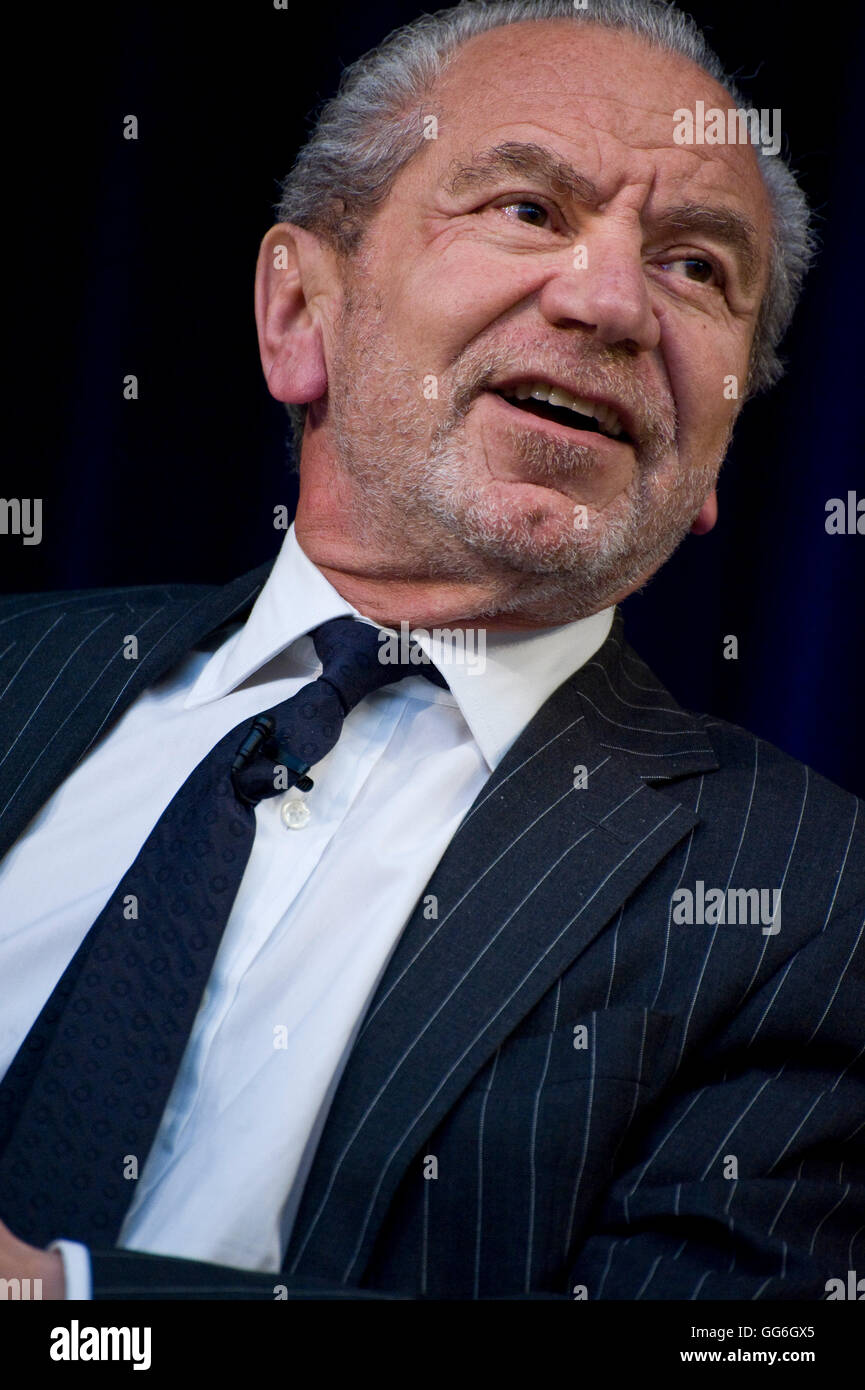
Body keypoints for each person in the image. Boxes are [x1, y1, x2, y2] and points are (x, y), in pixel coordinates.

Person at [0, 0, 861, 1302]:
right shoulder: (18, 666)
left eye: (696, 267)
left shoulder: (808, 893)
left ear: (714, 461)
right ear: (300, 312)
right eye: (528, 208)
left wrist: (72, 1310)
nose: (612, 299)